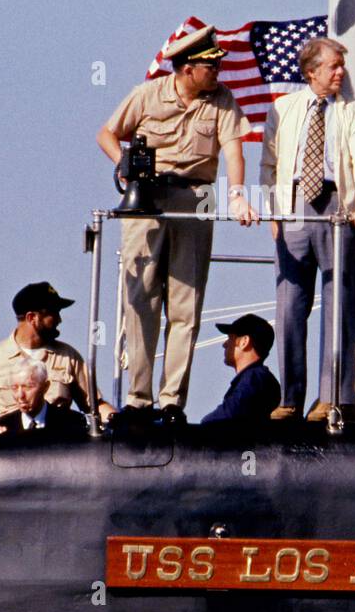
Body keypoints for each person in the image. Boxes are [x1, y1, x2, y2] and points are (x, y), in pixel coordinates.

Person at [97, 25, 258, 426]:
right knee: (141, 302)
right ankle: (139, 399)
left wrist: (237, 193)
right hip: (147, 201)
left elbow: (234, 150)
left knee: (185, 306)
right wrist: (125, 165)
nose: (218, 70)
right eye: (211, 65)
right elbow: (107, 133)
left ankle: (171, 402)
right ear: (187, 69)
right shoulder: (147, 95)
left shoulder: (222, 101)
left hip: (196, 199)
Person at [259, 36, 355, 423]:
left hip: (336, 205)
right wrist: (273, 213)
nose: (340, 72)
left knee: (338, 303)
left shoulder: (354, 113)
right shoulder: (283, 109)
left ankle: (331, 397)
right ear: (312, 72)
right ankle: (290, 396)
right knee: (290, 304)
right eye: (333, 66)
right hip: (292, 203)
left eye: (342, 66)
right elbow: (268, 165)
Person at [0, 282, 114, 425]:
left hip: (56, 446)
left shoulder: (68, 357)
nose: (59, 320)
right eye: (53, 313)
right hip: (11, 445)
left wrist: (120, 421)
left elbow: (95, 406)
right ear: (32, 318)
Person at [200, 314, 282, 425]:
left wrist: (202, 426)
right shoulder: (256, 378)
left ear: (244, 342)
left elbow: (229, 414)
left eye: (230, 338)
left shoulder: (254, 379)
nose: (225, 344)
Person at [0, 360, 86, 439]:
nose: (20, 395)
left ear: (45, 387)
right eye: (14, 388)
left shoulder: (73, 423)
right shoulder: (1, 427)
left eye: (28, 387)